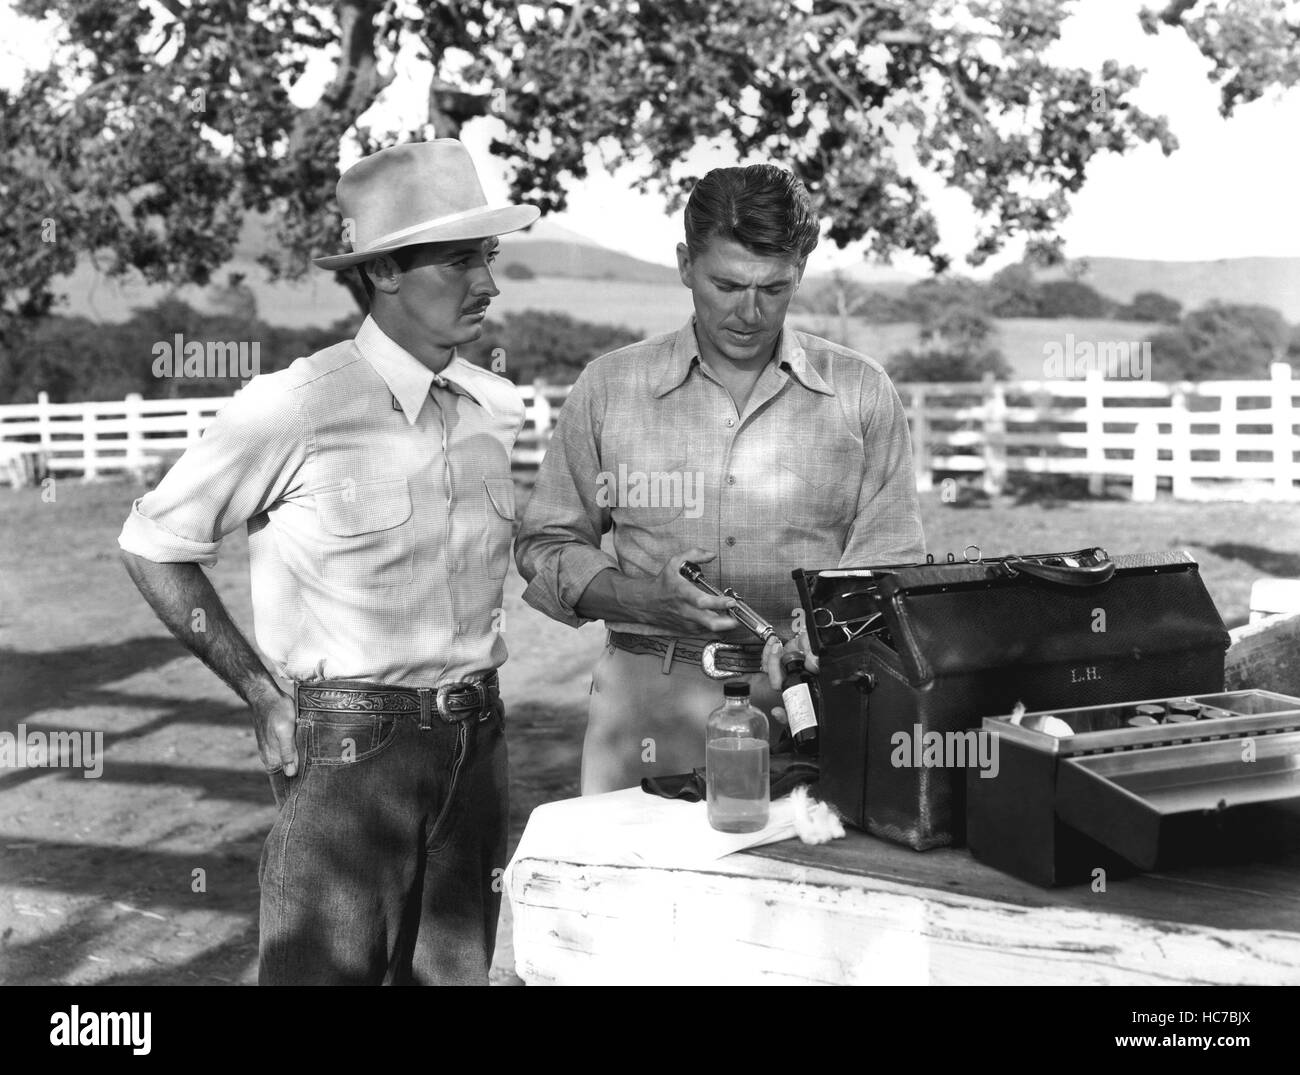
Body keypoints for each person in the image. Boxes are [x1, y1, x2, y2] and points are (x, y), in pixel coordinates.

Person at [118, 140, 538, 985]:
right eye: (459, 261)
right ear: (383, 271)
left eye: (487, 257)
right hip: (352, 749)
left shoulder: (496, 409)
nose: (486, 284)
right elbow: (154, 541)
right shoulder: (296, 406)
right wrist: (258, 690)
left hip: (479, 743)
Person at [516, 163, 925, 794]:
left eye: (773, 288)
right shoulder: (609, 386)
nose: (749, 312)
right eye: (727, 284)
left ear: (800, 274)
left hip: (819, 705)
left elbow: (892, 562)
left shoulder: (863, 393)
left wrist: (838, 636)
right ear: (685, 264)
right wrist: (641, 598)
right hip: (647, 707)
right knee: (634, 890)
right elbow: (545, 543)